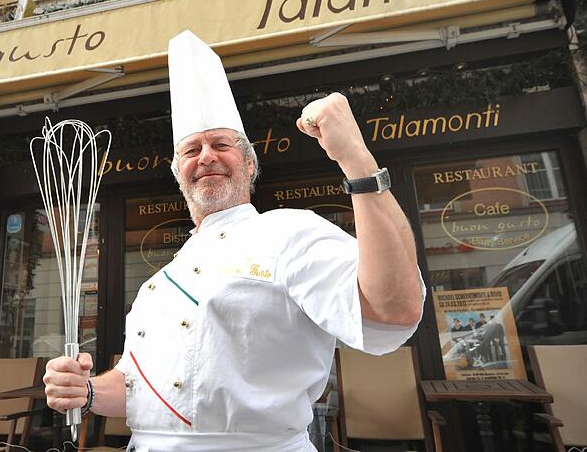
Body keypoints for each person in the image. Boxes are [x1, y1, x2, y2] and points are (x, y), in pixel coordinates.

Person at [43, 30, 425, 451]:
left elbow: (394, 309)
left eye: (220, 144)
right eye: (191, 150)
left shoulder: (288, 232)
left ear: (247, 163)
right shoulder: (161, 283)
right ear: (178, 174)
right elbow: (146, 389)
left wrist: (355, 158)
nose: (205, 155)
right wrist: (88, 391)